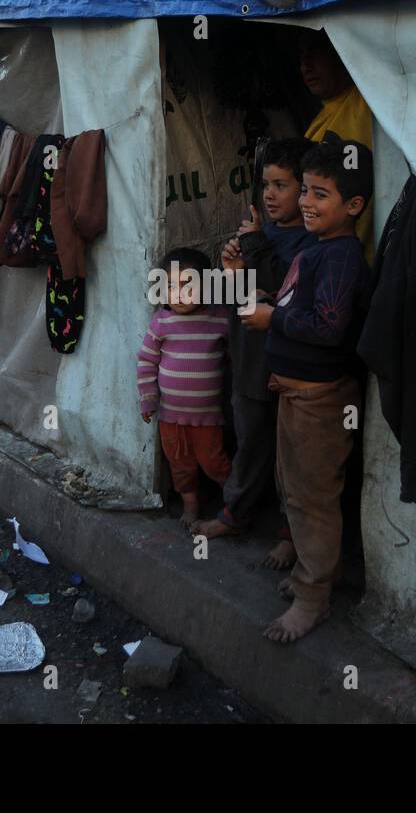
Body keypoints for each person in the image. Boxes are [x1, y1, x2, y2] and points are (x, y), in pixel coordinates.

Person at [241, 135, 373, 643]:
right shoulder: (320, 249)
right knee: (297, 490)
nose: (305, 203)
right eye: (306, 192)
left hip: (321, 402)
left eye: (320, 194)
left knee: (313, 497)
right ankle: (316, 573)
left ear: (354, 205)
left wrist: (272, 317)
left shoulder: (340, 257)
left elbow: (328, 327)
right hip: (300, 395)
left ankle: (312, 598)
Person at [192, 138, 313, 572]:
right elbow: (240, 296)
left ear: (307, 190)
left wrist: (256, 246)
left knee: (290, 456)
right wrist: (231, 272)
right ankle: (236, 514)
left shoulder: (306, 241)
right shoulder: (259, 233)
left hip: (284, 367)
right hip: (247, 359)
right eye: (266, 184)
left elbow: (285, 289)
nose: (269, 194)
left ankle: (291, 534)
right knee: (249, 441)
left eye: (282, 185)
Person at [138, 247, 232, 526]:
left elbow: (233, 361)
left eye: (187, 286)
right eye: (170, 286)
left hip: (208, 417)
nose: (178, 294)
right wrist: (148, 399)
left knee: (215, 462)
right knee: (180, 465)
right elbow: (146, 362)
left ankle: (235, 504)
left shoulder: (221, 320)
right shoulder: (161, 322)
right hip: (169, 416)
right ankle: (190, 504)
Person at [298, 29, 375, 259]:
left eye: (315, 54)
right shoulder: (318, 121)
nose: (305, 66)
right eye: (301, 58)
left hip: (362, 256)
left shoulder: (371, 101)